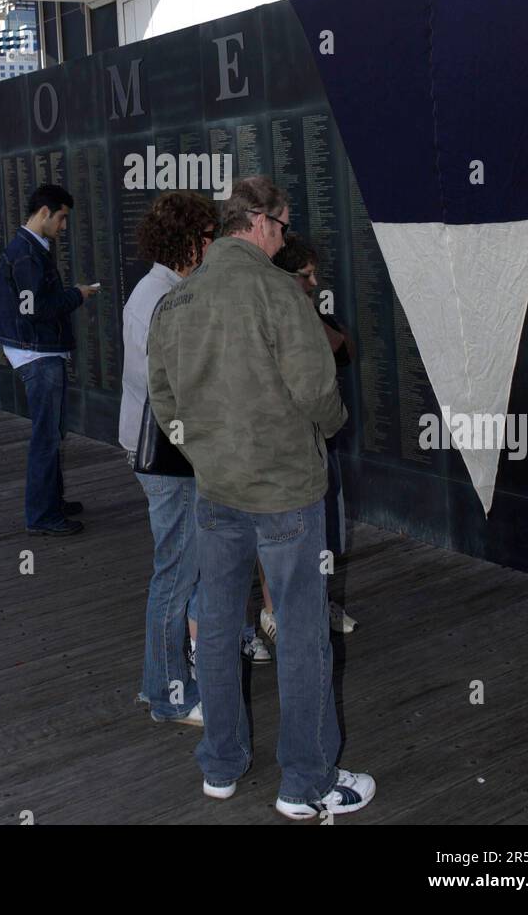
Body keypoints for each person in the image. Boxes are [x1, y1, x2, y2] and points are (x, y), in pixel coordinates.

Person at [147, 175, 375, 819]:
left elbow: (164, 402)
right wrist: (327, 431)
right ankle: (306, 784)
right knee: (301, 633)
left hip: (216, 491)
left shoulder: (178, 302)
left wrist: (203, 452)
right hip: (284, 495)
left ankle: (220, 766)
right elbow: (316, 389)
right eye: (282, 224)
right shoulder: (279, 294)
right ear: (258, 222)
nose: (285, 237)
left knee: (218, 628)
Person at [119, 191, 219, 725]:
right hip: (167, 458)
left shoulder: (168, 290)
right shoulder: (157, 297)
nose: (214, 245)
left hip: (175, 454)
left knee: (188, 570)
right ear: (188, 241)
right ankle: (166, 695)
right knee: (176, 576)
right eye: (208, 237)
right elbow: (158, 386)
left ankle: (169, 677)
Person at [262, 233, 358, 637]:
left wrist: (309, 316)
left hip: (323, 444)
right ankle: (275, 614)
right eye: (306, 276)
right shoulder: (268, 318)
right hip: (285, 449)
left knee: (324, 533)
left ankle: (319, 600)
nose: (315, 284)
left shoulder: (310, 312)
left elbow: (345, 350)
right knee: (279, 539)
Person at [0, 184, 99, 537]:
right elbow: (34, 308)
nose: (63, 226)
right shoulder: (26, 254)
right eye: (62, 218)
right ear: (44, 213)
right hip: (37, 353)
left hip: (38, 350)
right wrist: (77, 295)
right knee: (46, 437)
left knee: (51, 433)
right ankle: (41, 515)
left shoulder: (30, 248)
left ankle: (50, 501)